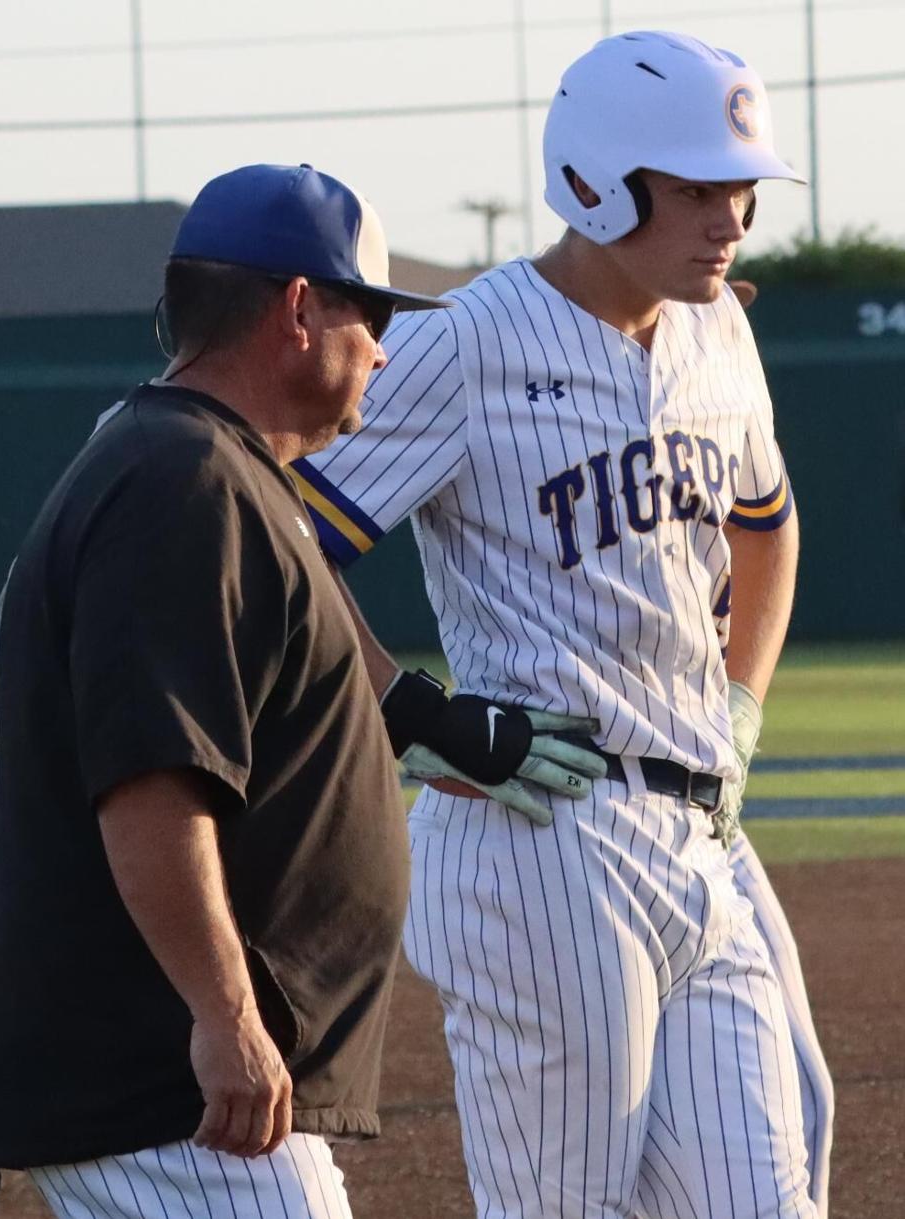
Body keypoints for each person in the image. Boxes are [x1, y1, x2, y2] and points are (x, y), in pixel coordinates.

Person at [290, 33, 833, 1219]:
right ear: (597, 180)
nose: (732, 215)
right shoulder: (464, 344)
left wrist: (742, 703)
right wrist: (409, 711)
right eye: (696, 186)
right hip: (545, 835)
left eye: (739, 185)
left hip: (702, 832)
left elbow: (768, 524)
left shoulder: (719, 332)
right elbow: (272, 530)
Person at [0, 163, 451, 1219]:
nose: (381, 346)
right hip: (173, 1097)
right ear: (296, 308)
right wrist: (227, 1018)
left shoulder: (210, 468)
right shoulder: (181, 481)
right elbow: (153, 782)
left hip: (172, 1095)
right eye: (368, 312)